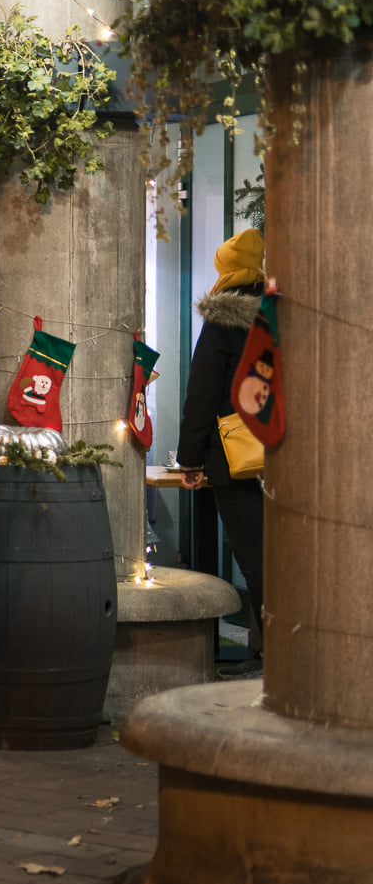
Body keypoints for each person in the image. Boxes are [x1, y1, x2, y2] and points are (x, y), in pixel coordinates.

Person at [176, 227, 267, 675]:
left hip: (236, 459)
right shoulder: (281, 310)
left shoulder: (224, 316)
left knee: (257, 562)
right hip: (287, 451)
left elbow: (203, 392)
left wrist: (190, 459)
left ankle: (277, 662)